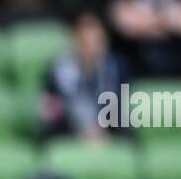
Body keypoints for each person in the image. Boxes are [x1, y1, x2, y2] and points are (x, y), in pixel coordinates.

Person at [39, 12, 128, 140]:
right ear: (74, 39)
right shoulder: (55, 72)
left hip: (108, 137)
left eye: (97, 41)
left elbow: (122, 115)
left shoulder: (117, 69)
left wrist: (103, 130)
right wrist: (81, 131)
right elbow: (50, 118)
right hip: (69, 136)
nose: (91, 48)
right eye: (85, 41)